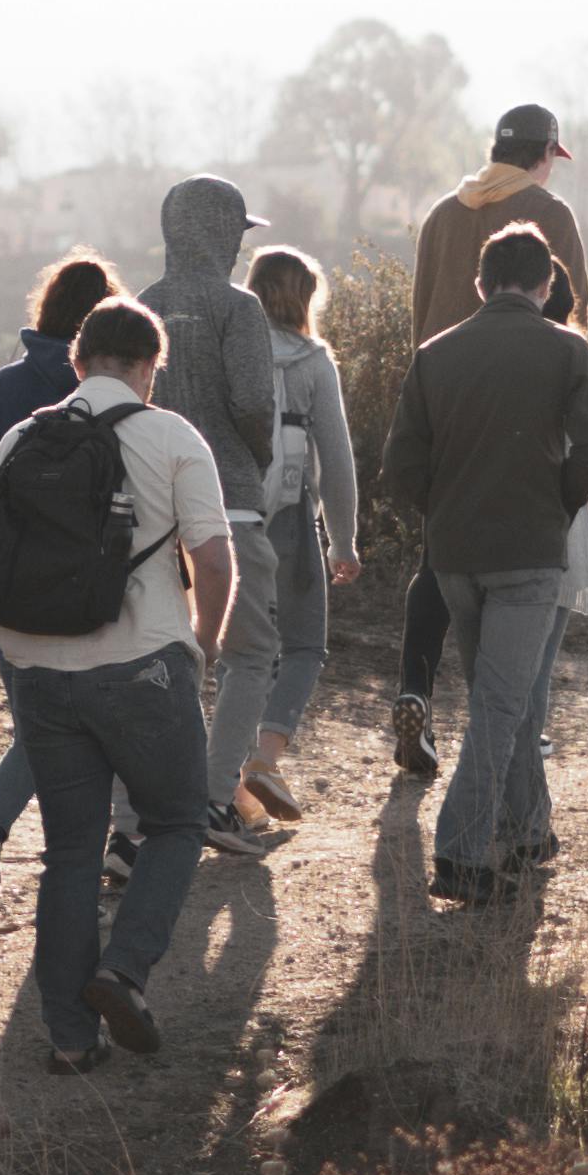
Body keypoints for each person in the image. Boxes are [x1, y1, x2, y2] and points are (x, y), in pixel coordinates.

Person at [0, 295, 237, 1072]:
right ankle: (123, 971)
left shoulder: (20, 439)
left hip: (38, 674)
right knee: (179, 820)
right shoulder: (172, 436)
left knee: (71, 852)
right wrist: (204, 643)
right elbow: (216, 560)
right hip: (144, 664)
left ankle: (69, 1040)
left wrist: (32, 652)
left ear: (76, 362)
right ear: (151, 368)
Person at [375, 224, 588, 907]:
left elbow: (401, 463)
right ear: (546, 286)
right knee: (500, 705)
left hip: (454, 555)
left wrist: (444, 507)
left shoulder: (434, 354)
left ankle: (529, 829)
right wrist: (556, 499)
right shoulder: (568, 350)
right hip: (528, 555)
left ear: (480, 283)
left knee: (497, 697)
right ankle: (459, 855)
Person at [390, 104, 587, 778]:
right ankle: (517, 725)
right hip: (529, 409)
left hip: (446, 401)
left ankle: (414, 688)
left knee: (439, 554)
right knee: (526, 572)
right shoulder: (548, 215)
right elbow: (575, 310)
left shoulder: (445, 213)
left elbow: (420, 314)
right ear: (544, 155)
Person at [0, 252, 114, 928]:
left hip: (10, 591)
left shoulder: (4, 390)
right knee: (86, 729)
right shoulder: (105, 396)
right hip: (85, 594)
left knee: (34, 725)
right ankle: (64, 866)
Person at [147, 174, 289, 858]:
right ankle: (211, 798)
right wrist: (255, 459)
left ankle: (142, 814)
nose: (240, 245)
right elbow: (255, 403)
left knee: (156, 656)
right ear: (221, 232)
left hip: (151, 513)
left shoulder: (143, 304)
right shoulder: (240, 308)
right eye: (237, 229)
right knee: (251, 653)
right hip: (229, 502)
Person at [230, 244, 357, 822]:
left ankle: (225, 787)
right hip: (290, 523)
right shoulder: (313, 360)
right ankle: (265, 758)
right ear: (307, 298)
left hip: (228, 516)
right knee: (303, 646)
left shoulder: (232, 350)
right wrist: (344, 540)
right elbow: (336, 456)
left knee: (242, 655)